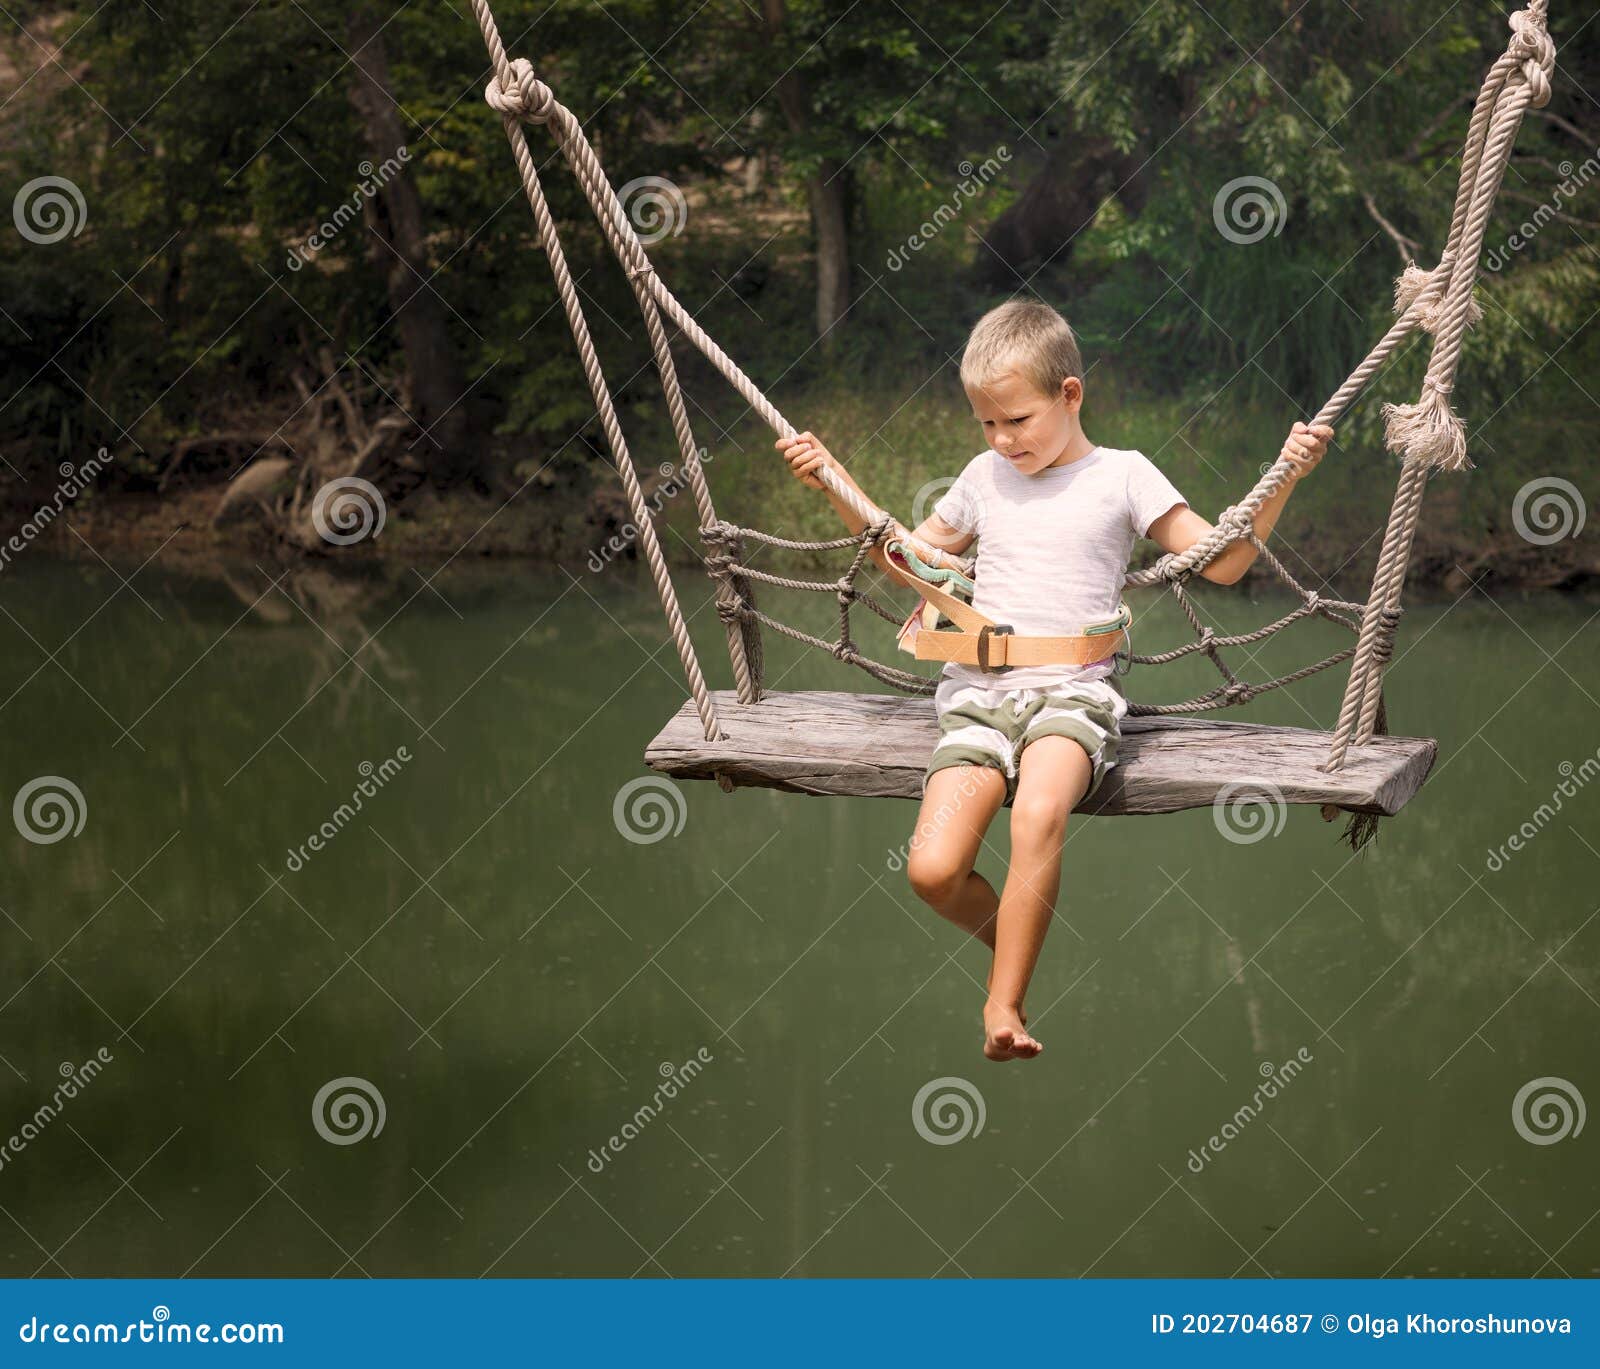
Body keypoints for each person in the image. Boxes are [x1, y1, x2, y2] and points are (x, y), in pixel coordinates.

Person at [778, 299, 1331, 1062]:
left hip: (1073, 696)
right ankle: (1017, 933)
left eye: (1018, 420)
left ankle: (1004, 1002)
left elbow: (1226, 561)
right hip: (976, 698)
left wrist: (1284, 477)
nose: (1003, 440)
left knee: (1037, 812)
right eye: (987, 424)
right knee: (932, 870)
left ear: (1071, 395)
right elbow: (908, 559)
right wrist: (836, 483)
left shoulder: (1124, 476)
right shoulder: (983, 478)